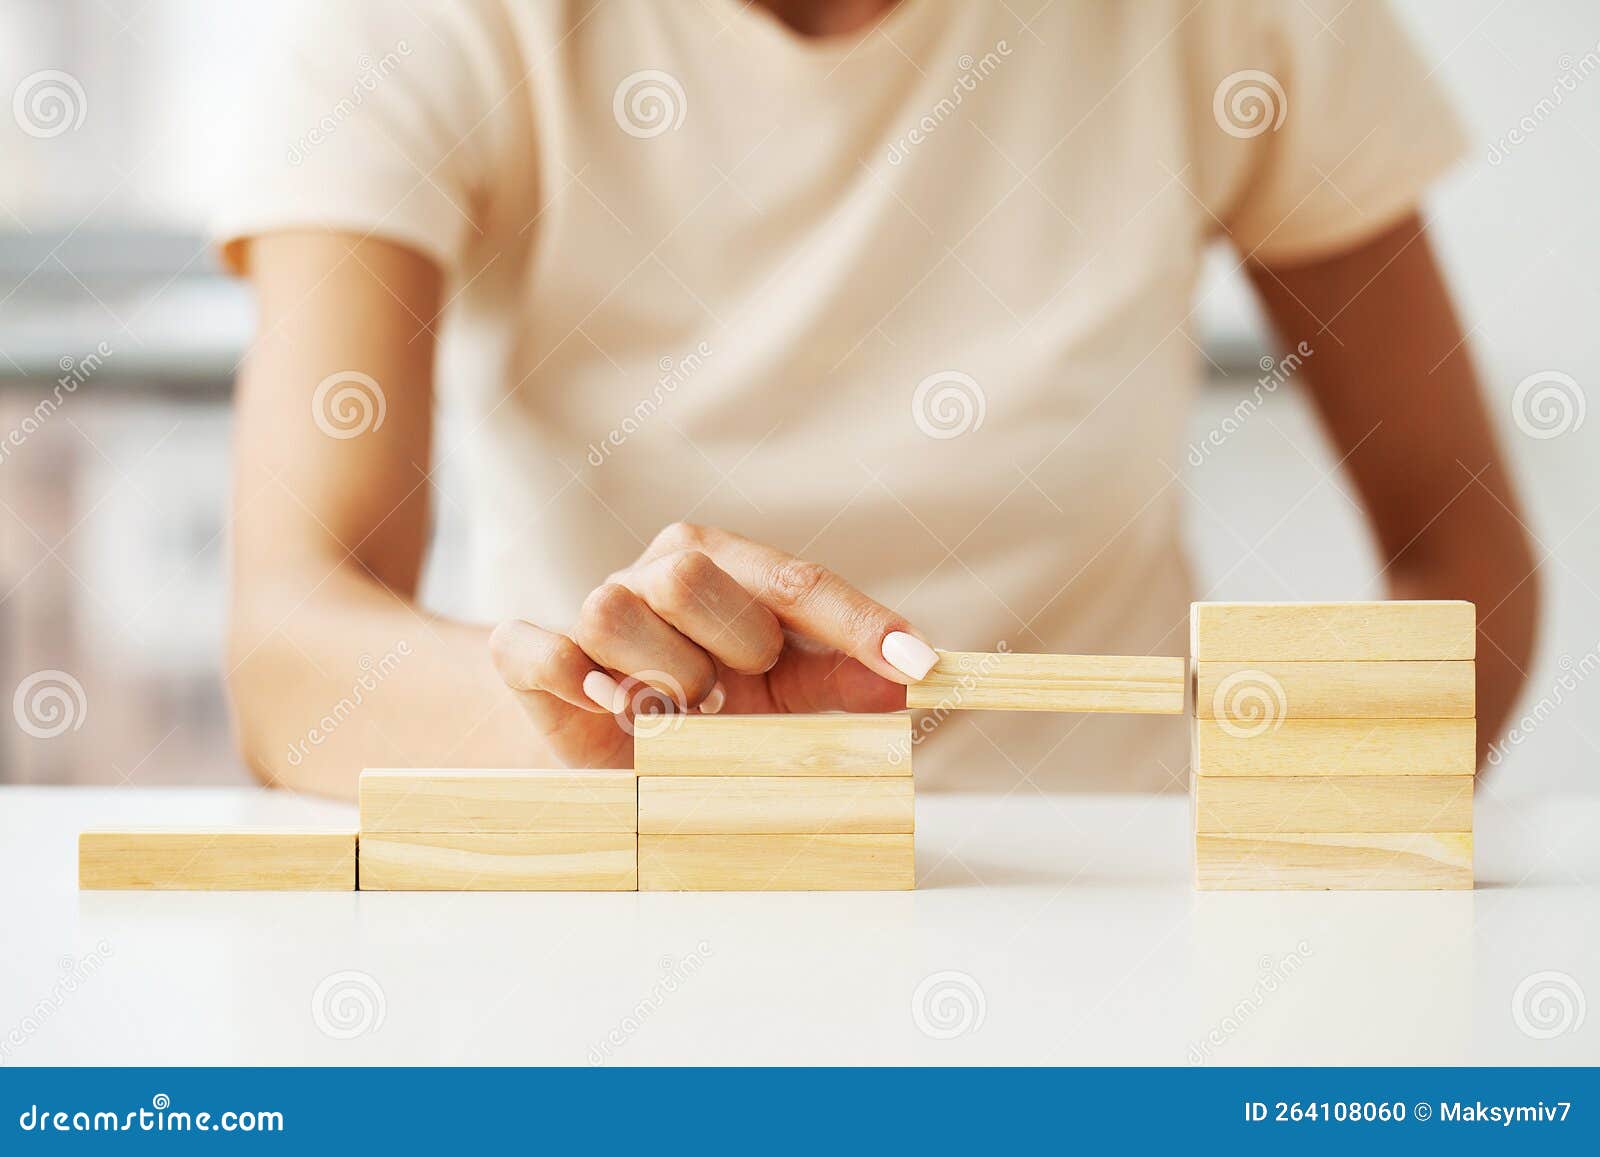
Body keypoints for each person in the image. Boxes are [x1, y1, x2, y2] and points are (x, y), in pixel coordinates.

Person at [216, 0, 1537, 798]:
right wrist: (587, 736)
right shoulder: (424, 25)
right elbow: (289, 640)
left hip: (1116, 903)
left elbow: (1460, 547)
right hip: (629, 890)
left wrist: (1263, 861)